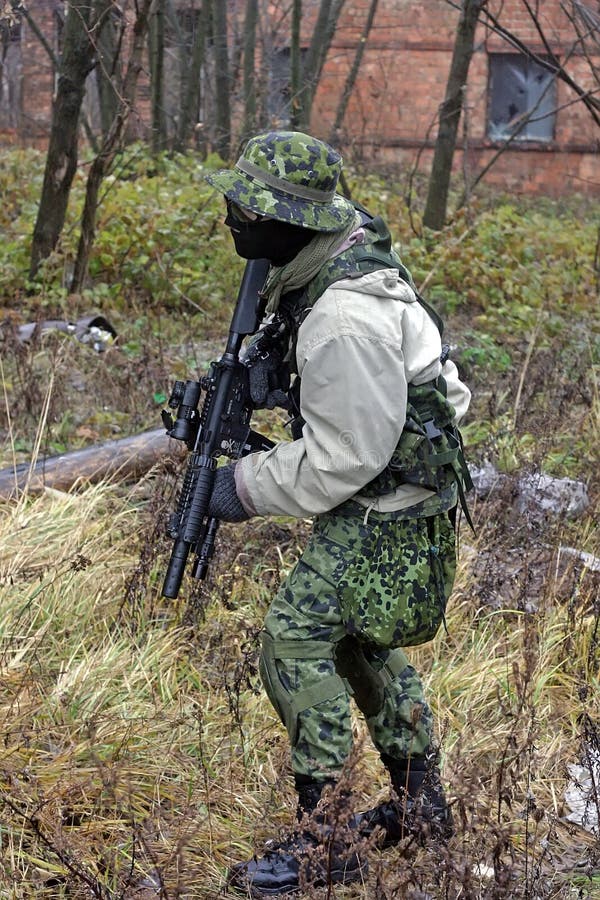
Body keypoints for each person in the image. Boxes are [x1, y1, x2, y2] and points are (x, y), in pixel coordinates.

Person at [204, 131, 471, 896]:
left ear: (291, 222)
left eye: (247, 210)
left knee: (292, 643)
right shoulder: (335, 254)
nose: (233, 222)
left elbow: (344, 456)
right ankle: (424, 807)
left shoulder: (342, 319)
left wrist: (242, 487)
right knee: (357, 640)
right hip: (401, 493)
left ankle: (327, 841)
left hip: (384, 506)